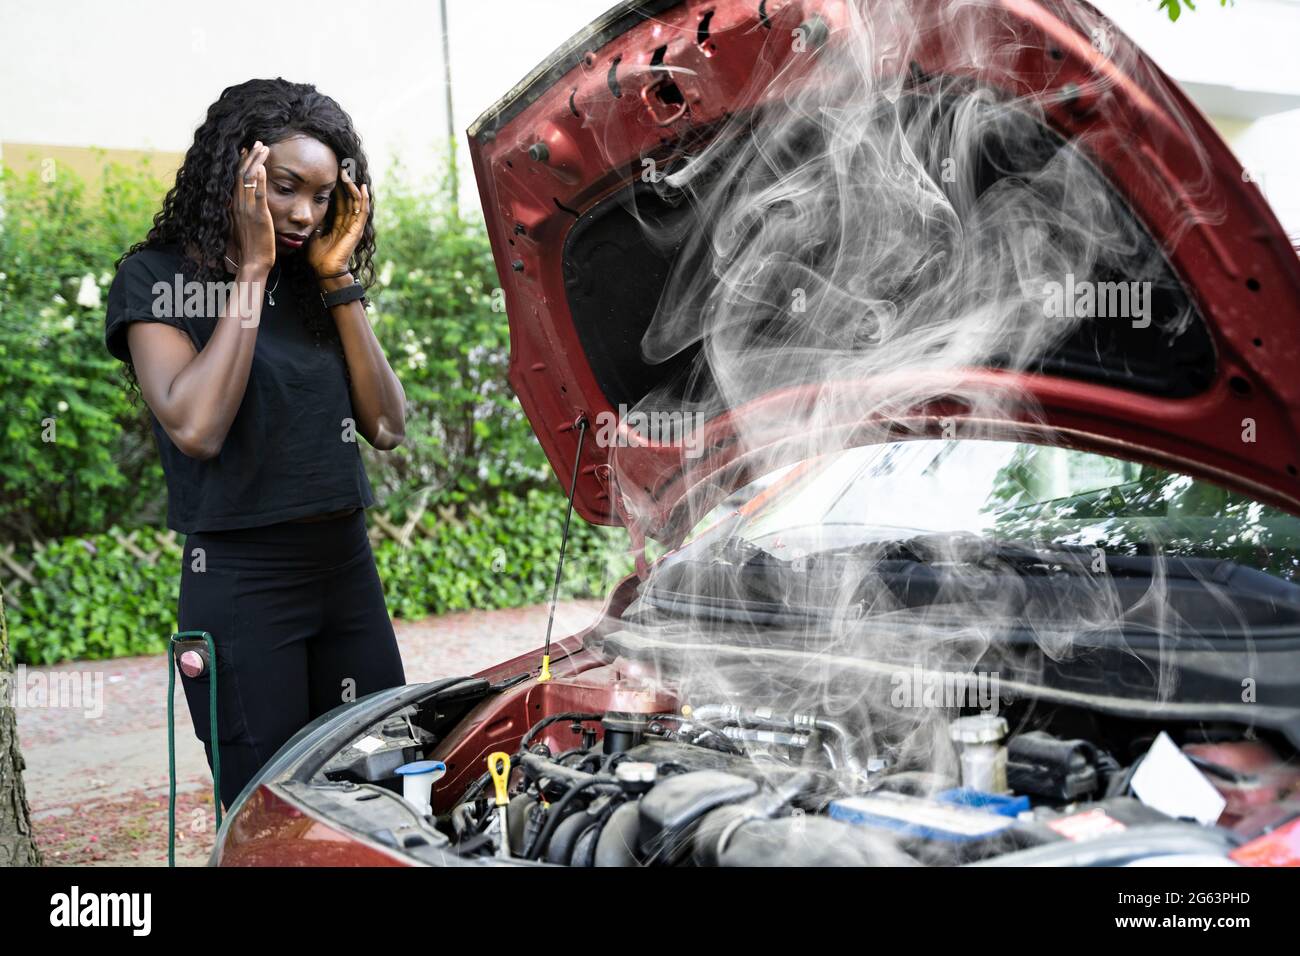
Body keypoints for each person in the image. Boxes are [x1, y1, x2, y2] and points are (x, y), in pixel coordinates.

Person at [104, 78, 408, 811]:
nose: (305, 214)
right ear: (237, 175)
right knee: (271, 814)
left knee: (389, 787)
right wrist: (251, 272)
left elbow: (388, 426)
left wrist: (338, 280)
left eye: (323, 195)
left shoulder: (315, 282)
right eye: (284, 188)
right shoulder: (157, 280)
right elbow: (197, 426)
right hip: (243, 581)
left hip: (346, 571)